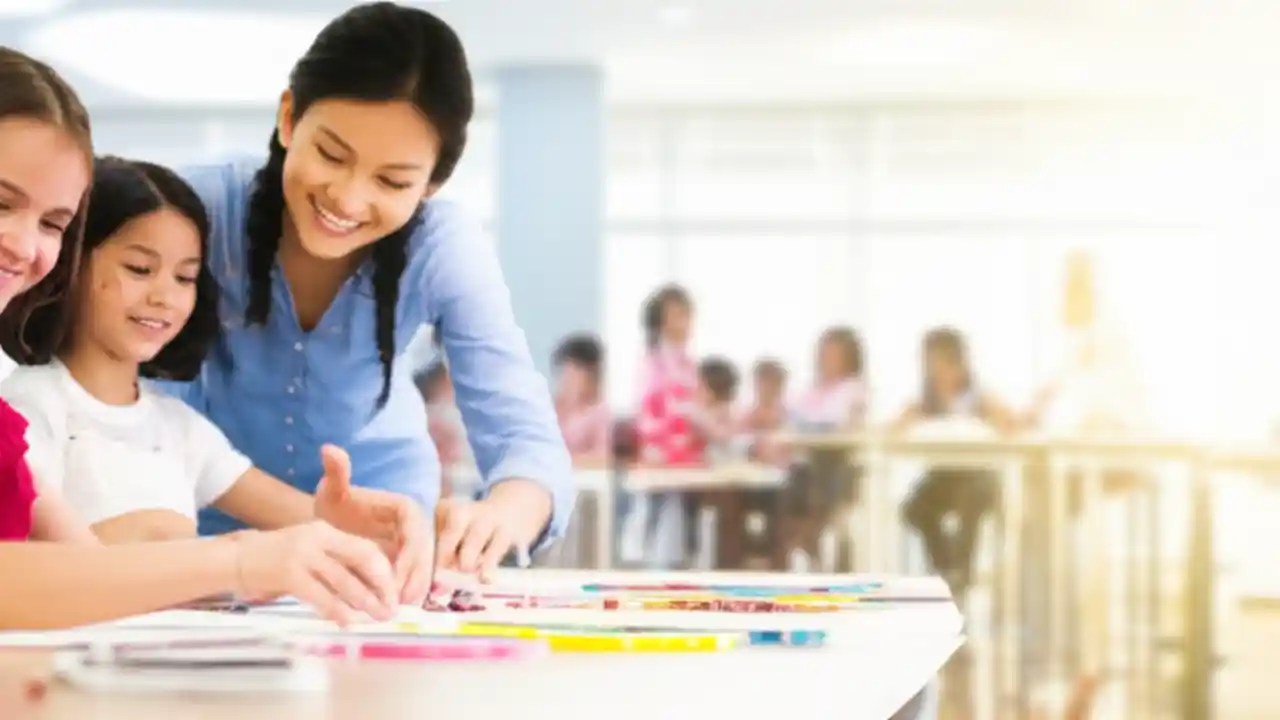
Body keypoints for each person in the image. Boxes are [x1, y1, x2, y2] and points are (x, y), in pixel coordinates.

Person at [170, 2, 572, 579]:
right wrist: (320, 528)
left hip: (386, 544)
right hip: (213, 534)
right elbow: (149, 416)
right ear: (288, 119)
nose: (349, 199)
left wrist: (503, 513)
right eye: (332, 155)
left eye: (393, 181)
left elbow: (524, 435)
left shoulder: (444, 246)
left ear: (432, 184)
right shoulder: (197, 210)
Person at [0, 46, 397, 629]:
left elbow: (81, 577)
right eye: (2, 203)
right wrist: (233, 560)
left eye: (53, 223)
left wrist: (342, 530)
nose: (25, 246)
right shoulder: (35, 406)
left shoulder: (9, 430)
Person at [895, 327, 1019, 596]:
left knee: (971, 503)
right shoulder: (926, 402)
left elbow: (1010, 423)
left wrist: (997, 422)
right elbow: (895, 427)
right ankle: (945, 566)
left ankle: (962, 571)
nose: (935, 369)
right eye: (929, 362)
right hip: (943, 476)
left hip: (979, 475)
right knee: (915, 509)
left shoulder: (979, 397)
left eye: (940, 361)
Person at [552, 334, 610, 465]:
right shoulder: (550, 407)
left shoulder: (599, 413)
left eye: (576, 371)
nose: (569, 378)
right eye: (566, 371)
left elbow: (602, 458)